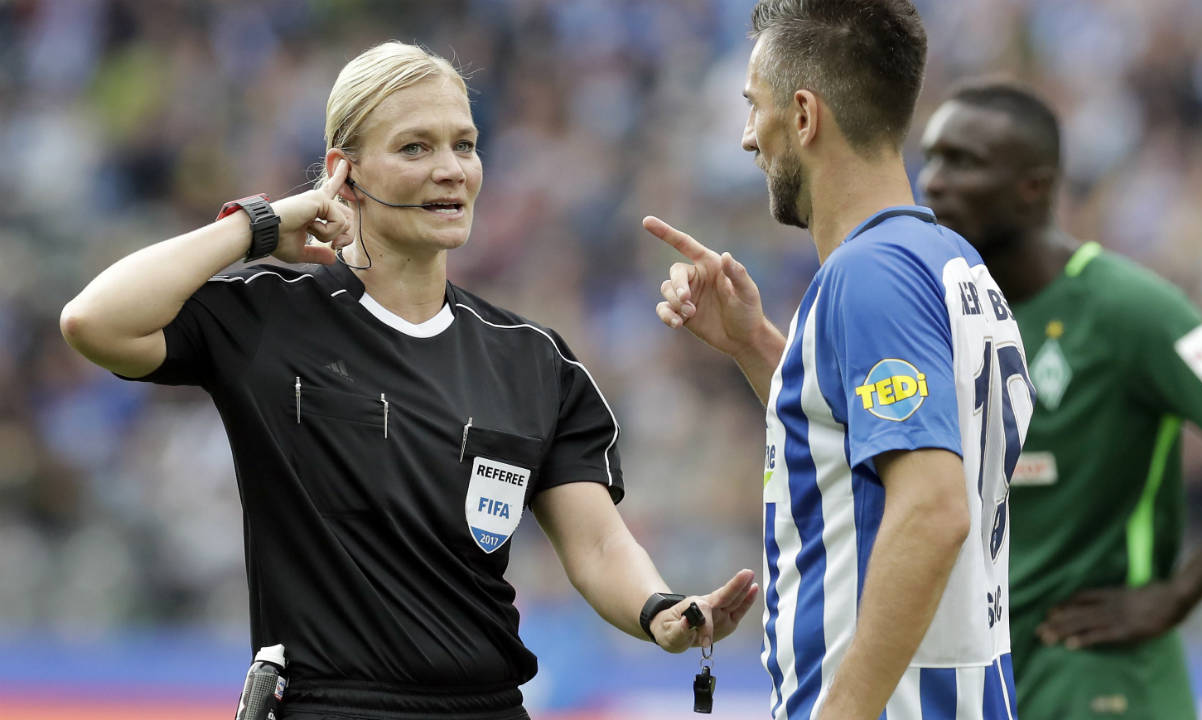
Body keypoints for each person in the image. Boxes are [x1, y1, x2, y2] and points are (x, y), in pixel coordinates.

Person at [59, 41, 758, 720]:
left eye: (465, 144)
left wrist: (661, 611)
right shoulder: (269, 316)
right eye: (415, 147)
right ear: (345, 172)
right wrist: (259, 226)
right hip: (327, 705)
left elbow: (600, 545)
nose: (451, 169)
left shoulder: (532, 359)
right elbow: (94, 320)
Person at [646, 2, 1033, 718]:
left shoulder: (870, 276)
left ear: (802, 115)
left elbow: (932, 508)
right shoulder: (952, 262)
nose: (744, 138)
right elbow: (869, 451)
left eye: (751, 107)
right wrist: (757, 345)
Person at [917, 80, 1202, 719]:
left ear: (1035, 185)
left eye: (963, 161)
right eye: (932, 158)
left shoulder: (1126, 306)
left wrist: (1179, 594)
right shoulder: (949, 315)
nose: (934, 182)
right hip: (991, 676)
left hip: (1103, 679)